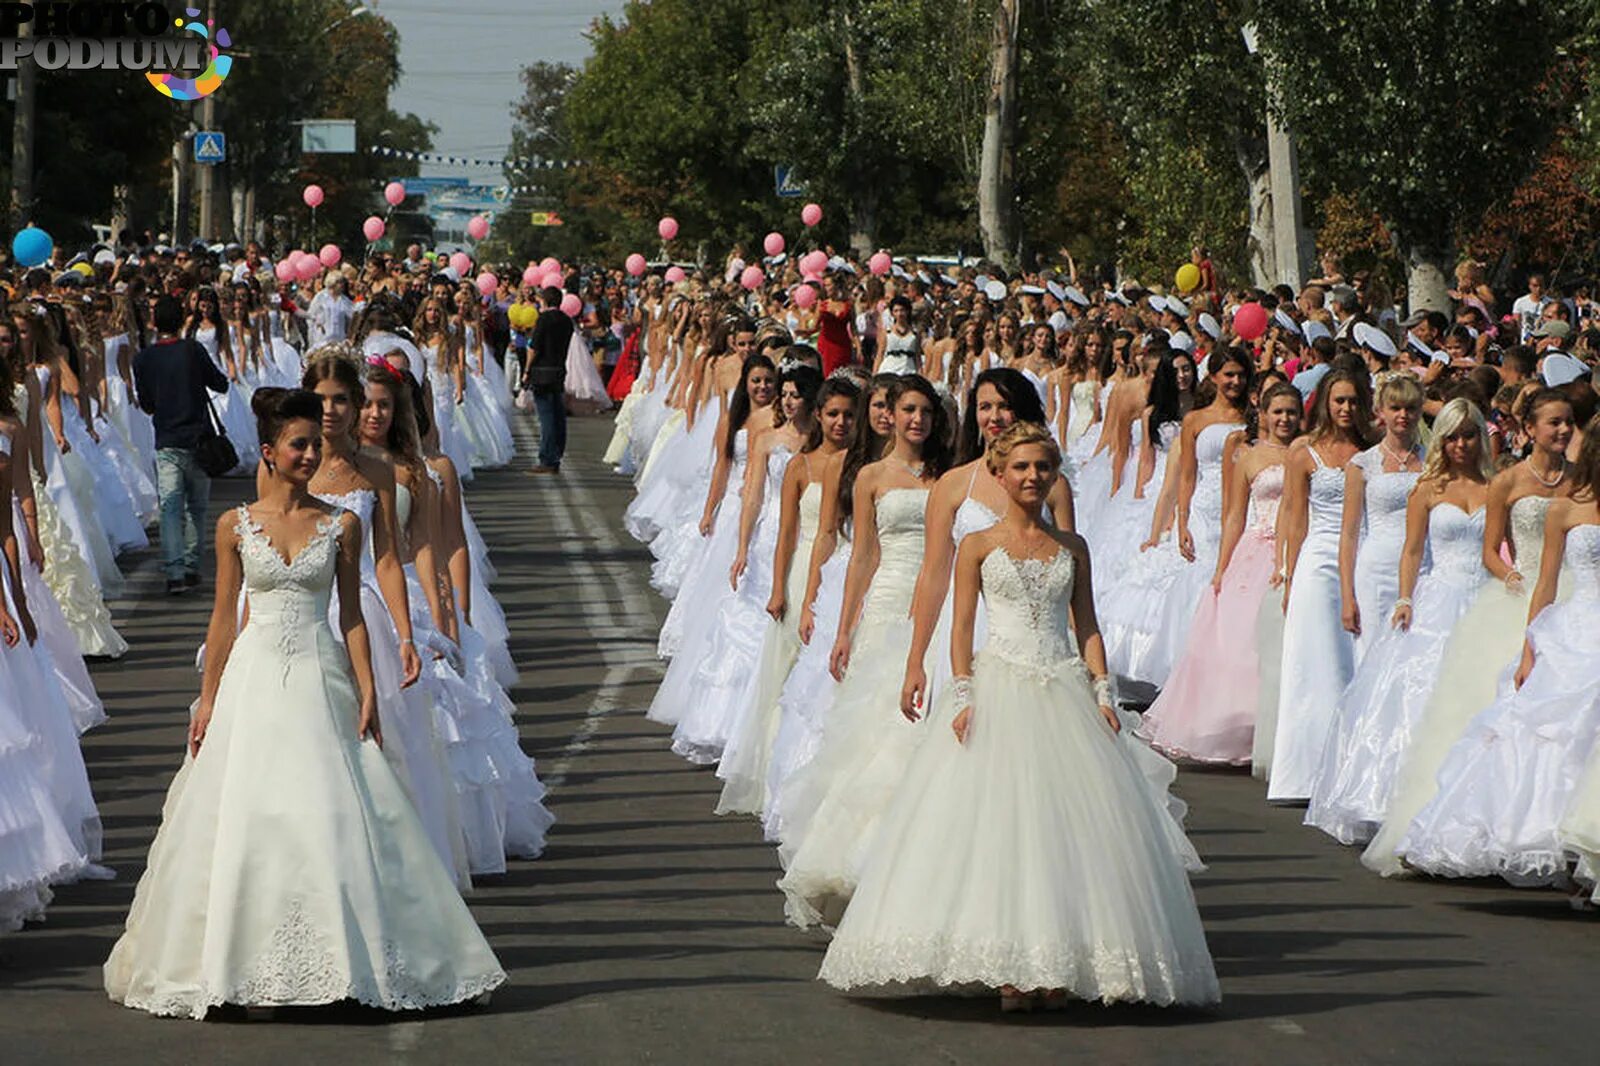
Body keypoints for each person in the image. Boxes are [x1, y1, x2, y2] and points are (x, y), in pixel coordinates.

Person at [104, 387, 505, 1018]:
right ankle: (230, 966)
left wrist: (368, 687)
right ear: (269, 452)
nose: (311, 452)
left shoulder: (341, 524)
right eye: (299, 443)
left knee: (335, 812)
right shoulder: (235, 525)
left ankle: (349, 961)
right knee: (247, 816)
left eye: (315, 443)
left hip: (321, 676)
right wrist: (206, 700)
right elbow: (222, 621)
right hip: (252, 682)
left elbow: (349, 616)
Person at [816, 422, 1218, 1011]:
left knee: (1064, 833)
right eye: (1022, 468)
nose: (1032, 478)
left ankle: (1054, 964)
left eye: (1042, 468)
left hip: (1064, 691)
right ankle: (1009, 968)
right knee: (1000, 831)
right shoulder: (978, 546)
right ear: (1000, 475)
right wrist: (962, 693)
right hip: (999, 688)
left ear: (1054, 476)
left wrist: (1104, 692)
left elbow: (1088, 626)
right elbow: (959, 628)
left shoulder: (1072, 549)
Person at [133, 294, 229, 595]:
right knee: (196, 509)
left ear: (153, 323)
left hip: (166, 440)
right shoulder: (192, 350)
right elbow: (220, 383)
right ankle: (191, 565)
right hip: (199, 438)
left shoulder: (143, 359)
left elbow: (146, 403)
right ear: (182, 320)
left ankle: (174, 571)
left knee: (171, 507)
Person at [524, 285, 574, 474]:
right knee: (557, 415)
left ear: (544, 301)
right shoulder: (567, 321)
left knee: (546, 417)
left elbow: (534, 346)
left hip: (542, 370)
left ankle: (547, 458)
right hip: (558, 368)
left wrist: (527, 370)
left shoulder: (544, 319)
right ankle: (557, 454)